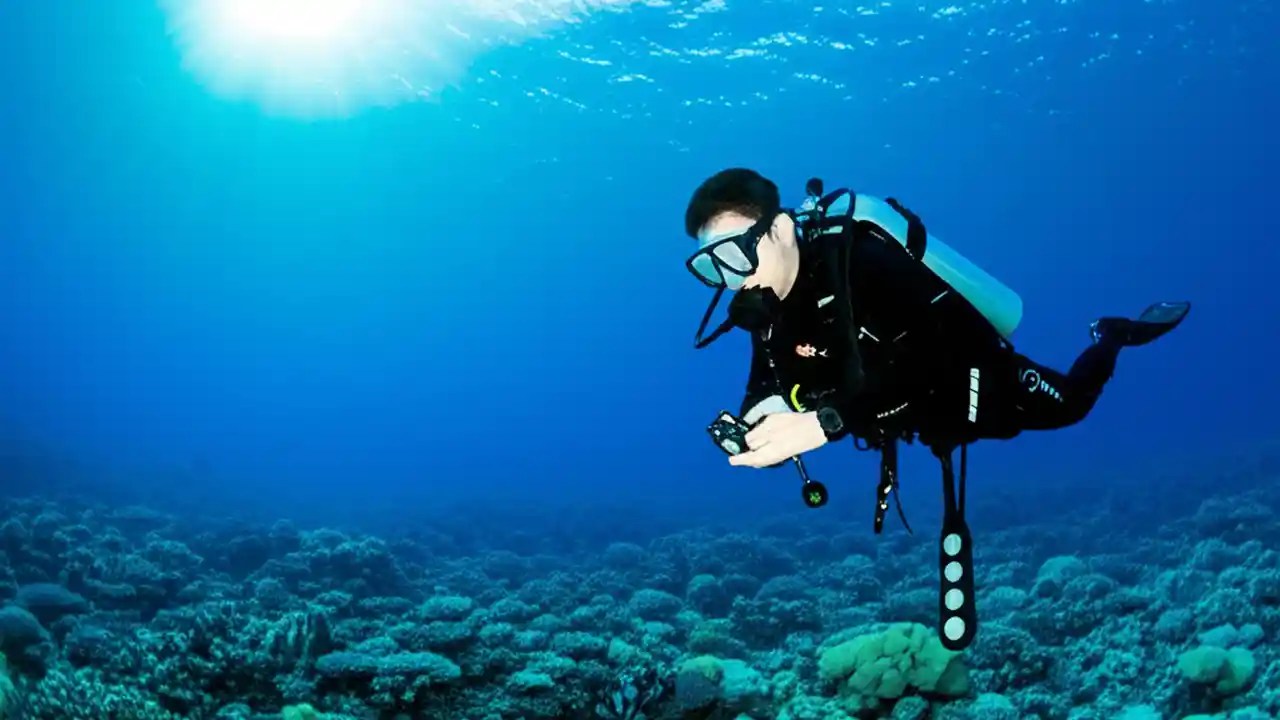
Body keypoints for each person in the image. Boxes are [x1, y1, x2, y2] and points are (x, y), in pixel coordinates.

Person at [682, 167, 1189, 650]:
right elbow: (767, 380)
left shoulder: (861, 264)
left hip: (970, 380)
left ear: (783, 230)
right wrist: (757, 419)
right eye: (712, 267)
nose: (732, 280)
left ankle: (1111, 336)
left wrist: (824, 422)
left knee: (1072, 405)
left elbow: (941, 355)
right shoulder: (764, 309)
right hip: (899, 413)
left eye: (736, 255)